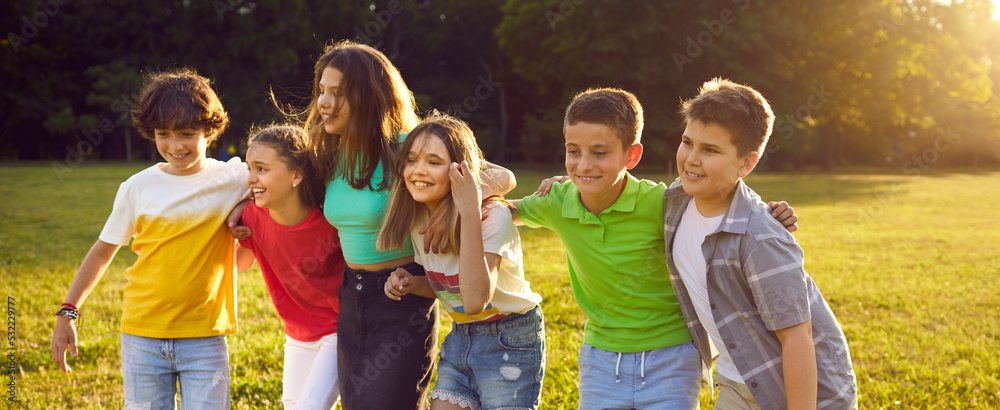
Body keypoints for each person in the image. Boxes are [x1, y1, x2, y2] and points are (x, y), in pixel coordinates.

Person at [224, 40, 514, 409]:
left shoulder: (406, 147)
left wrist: (450, 208)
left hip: (401, 293)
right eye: (322, 92)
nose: (323, 103)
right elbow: (277, 177)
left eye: (338, 93)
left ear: (369, 96)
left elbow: (502, 177)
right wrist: (244, 202)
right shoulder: (327, 152)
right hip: (351, 296)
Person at [510, 88, 798, 408]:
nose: (584, 164)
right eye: (574, 151)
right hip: (602, 359)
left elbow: (722, 196)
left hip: (672, 357)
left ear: (631, 156)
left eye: (599, 152)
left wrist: (769, 215)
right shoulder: (555, 201)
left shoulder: (661, 203)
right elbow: (502, 211)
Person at [50, 69, 248, 409]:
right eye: (163, 134)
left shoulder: (233, 178)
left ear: (209, 130)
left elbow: (282, 176)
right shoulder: (136, 187)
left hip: (205, 336)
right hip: (142, 334)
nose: (174, 145)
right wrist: (68, 311)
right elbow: (101, 252)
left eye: (187, 133)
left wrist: (243, 206)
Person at [665, 78, 857, 409]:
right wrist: (571, 183)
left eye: (710, 150)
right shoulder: (674, 202)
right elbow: (617, 193)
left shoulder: (761, 238)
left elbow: (798, 339)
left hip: (802, 394)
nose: (692, 159)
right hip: (738, 382)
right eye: (687, 142)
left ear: (746, 164)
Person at [376, 114, 545, 410]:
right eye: (412, 160)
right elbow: (447, 284)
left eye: (433, 162)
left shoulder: (491, 216)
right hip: (461, 338)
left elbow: (475, 300)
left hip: (511, 340)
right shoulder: (418, 219)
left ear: (459, 172)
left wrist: (467, 213)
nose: (418, 170)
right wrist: (413, 283)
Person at [235, 125, 344, 409]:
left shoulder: (330, 220)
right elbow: (240, 262)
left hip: (339, 330)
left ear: (296, 175)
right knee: (293, 405)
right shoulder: (252, 217)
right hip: (296, 333)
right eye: (250, 168)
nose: (251, 178)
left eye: (262, 169)